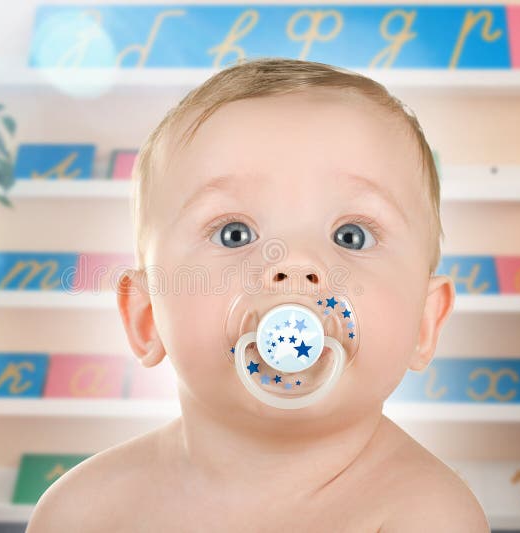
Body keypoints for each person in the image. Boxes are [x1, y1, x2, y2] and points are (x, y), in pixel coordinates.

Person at [27, 57, 489, 532]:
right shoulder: (84, 513)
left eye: (352, 236)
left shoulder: (427, 517)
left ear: (424, 323)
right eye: (234, 233)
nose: (295, 265)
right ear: (146, 318)